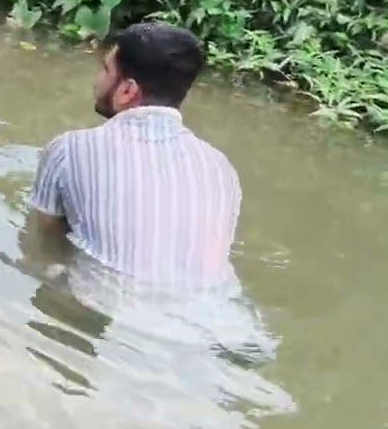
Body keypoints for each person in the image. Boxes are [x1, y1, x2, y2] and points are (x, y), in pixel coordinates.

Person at [25, 21, 243, 289]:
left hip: (114, 309)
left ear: (128, 91)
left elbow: (43, 240)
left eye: (106, 69)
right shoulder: (220, 169)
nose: (98, 80)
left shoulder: (70, 149)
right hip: (217, 318)